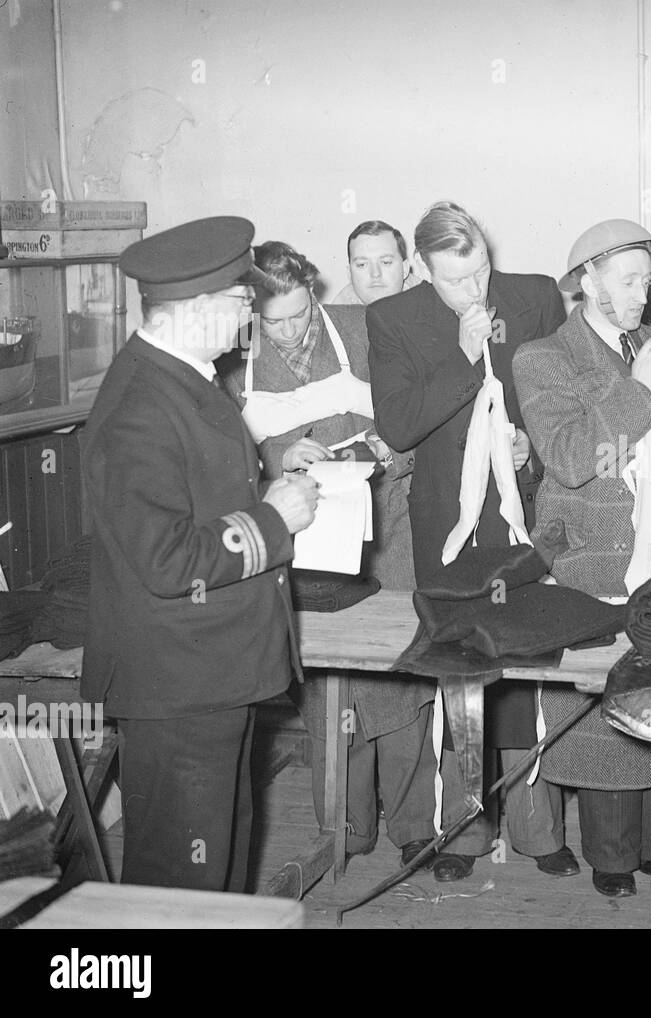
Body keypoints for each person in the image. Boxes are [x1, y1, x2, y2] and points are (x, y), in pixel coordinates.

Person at [82, 216, 320, 890]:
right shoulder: (141, 404)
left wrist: (269, 487)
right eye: (243, 305)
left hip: (213, 671)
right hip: (179, 684)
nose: (248, 322)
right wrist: (273, 522)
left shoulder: (178, 377)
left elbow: (203, 491)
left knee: (218, 865)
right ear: (200, 309)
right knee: (178, 884)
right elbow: (164, 557)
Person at [367, 201, 577, 882]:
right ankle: (460, 832)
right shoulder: (394, 318)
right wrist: (460, 356)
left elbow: (561, 401)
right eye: (456, 280)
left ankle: (535, 829)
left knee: (524, 675)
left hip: (520, 520)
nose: (475, 291)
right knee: (459, 679)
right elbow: (398, 426)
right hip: (446, 531)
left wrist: (532, 448)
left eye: (480, 269)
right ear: (422, 270)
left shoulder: (536, 296)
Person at [512, 219, 651, 898]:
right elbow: (571, 461)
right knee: (606, 715)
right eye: (628, 278)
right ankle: (611, 860)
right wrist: (633, 388)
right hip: (592, 560)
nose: (644, 290)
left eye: (647, 277)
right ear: (587, 282)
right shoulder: (542, 357)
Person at [216, 238, 438, 870]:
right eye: (272, 321)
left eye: (298, 315)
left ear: (314, 293)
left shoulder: (366, 331)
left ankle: (415, 825)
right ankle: (345, 828)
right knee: (327, 691)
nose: (286, 333)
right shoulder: (233, 364)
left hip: (388, 531)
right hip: (303, 548)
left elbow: (421, 419)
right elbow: (221, 467)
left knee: (402, 674)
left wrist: (391, 454)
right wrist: (275, 460)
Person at [330, 220, 420, 304]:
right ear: (350, 274)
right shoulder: (332, 316)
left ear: (405, 269)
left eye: (386, 262)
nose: (375, 274)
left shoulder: (430, 305)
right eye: (362, 265)